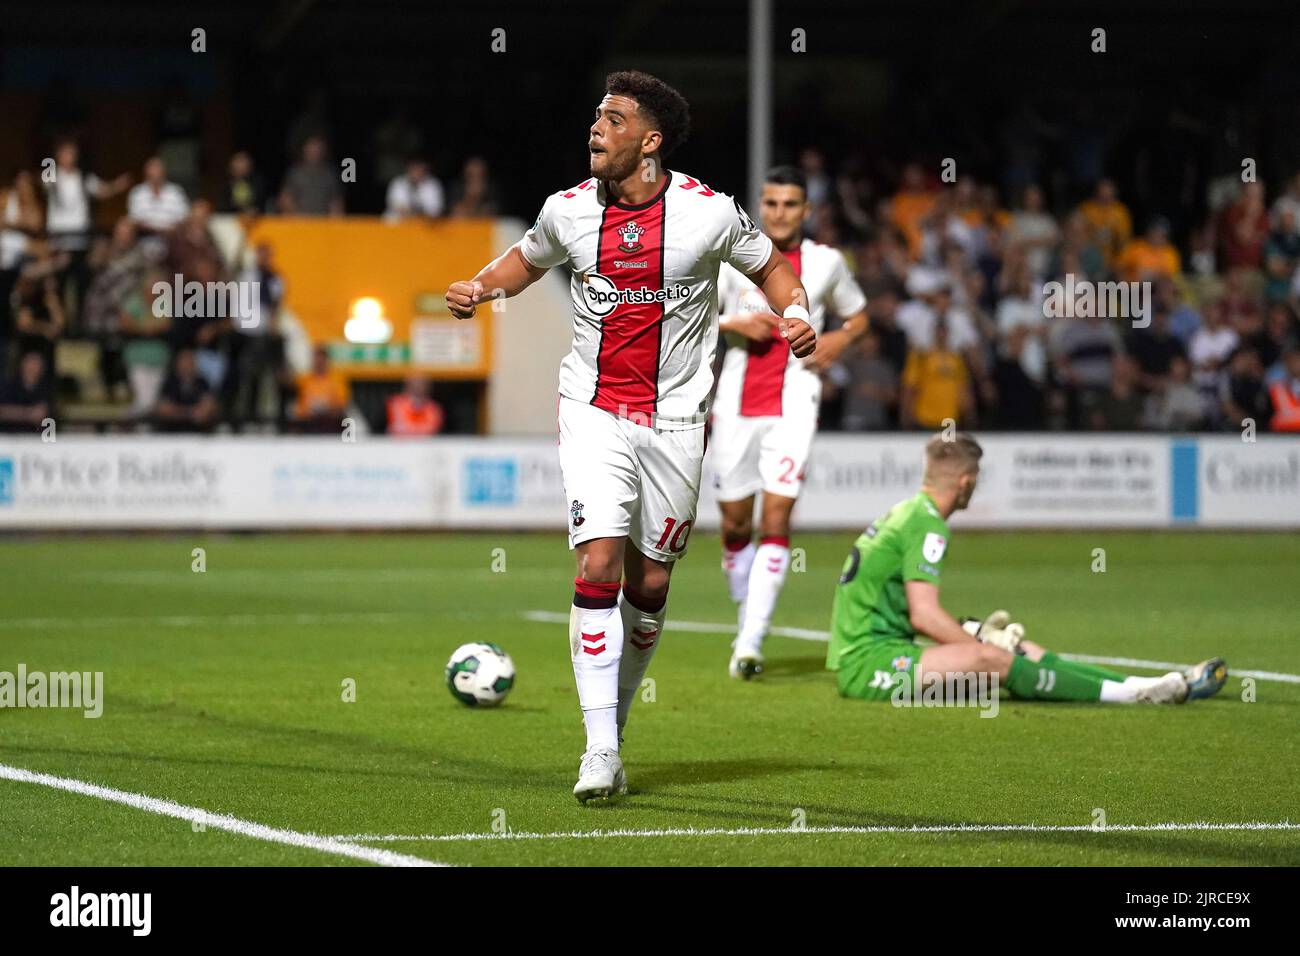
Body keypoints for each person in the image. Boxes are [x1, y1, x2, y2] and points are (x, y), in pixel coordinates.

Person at [444, 70, 815, 803]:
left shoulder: (708, 214)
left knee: (650, 584)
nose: (595, 129)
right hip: (593, 408)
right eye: (595, 117)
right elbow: (525, 260)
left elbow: (770, 266)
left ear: (649, 142)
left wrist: (798, 311)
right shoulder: (569, 210)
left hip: (677, 420)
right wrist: (480, 287)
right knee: (601, 561)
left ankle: (614, 729)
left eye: (612, 120)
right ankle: (599, 749)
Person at [827, 432, 1228, 704]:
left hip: (889, 650)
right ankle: (1129, 696)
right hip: (868, 666)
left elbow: (897, 608)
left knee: (1016, 649)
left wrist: (975, 631)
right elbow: (924, 614)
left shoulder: (906, 512)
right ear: (965, 481)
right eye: (977, 479)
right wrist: (979, 645)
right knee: (993, 659)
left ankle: (1139, 684)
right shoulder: (926, 524)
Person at [711, 165, 869, 679]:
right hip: (734, 405)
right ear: (761, 206)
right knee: (735, 524)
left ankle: (750, 640)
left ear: (806, 210)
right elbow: (687, 314)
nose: (780, 213)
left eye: (790, 204)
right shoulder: (731, 260)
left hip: (795, 403)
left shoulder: (825, 263)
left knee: (775, 517)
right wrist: (735, 322)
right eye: (772, 203)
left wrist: (839, 342)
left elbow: (858, 316)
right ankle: (747, 609)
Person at [154, 348, 217, 431]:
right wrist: (189, 413)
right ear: (177, 364)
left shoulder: (202, 382)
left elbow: (208, 407)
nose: (186, 366)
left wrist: (177, 411)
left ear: (195, 364)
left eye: (189, 362)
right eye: (184, 362)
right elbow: (164, 409)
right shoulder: (169, 382)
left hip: (198, 430)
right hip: (171, 430)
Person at [293, 346, 349, 431]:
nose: (318, 363)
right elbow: (299, 406)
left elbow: (342, 404)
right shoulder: (304, 379)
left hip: (330, 422)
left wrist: (325, 407)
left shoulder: (337, 379)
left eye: (321, 361)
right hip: (308, 422)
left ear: (326, 361)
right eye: (316, 360)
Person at [0, 351, 53, 432]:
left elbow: (47, 415)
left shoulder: (46, 389)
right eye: (30, 362)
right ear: (22, 364)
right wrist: (28, 413)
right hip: (9, 436)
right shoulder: (9, 385)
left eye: (36, 363)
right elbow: (2, 411)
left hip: (36, 438)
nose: (32, 367)